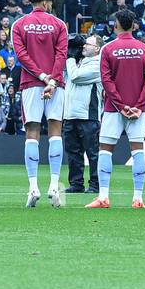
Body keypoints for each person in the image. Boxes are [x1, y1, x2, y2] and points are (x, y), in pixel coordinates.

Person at [88, 11, 145, 209]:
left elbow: (106, 80)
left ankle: (103, 197)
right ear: (134, 25)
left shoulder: (108, 49)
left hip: (113, 108)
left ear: (116, 25)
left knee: (105, 150)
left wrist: (120, 105)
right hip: (137, 110)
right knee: (138, 150)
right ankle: (138, 198)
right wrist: (138, 106)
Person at [11, 0, 69, 208]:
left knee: (32, 132)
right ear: (46, 3)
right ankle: (54, 186)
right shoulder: (59, 24)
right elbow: (62, 54)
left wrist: (42, 77)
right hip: (56, 85)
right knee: (55, 131)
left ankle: (33, 187)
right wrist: (53, 80)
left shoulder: (19, 24)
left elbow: (21, 56)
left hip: (31, 84)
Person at [62, 34, 102, 196]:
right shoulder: (79, 62)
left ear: (97, 49)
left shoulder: (98, 64)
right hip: (71, 114)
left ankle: (95, 184)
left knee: (92, 152)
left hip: (88, 115)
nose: (83, 46)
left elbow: (76, 76)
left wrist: (70, 58)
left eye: (88, 44)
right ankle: (76, 183)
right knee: (73, 151)